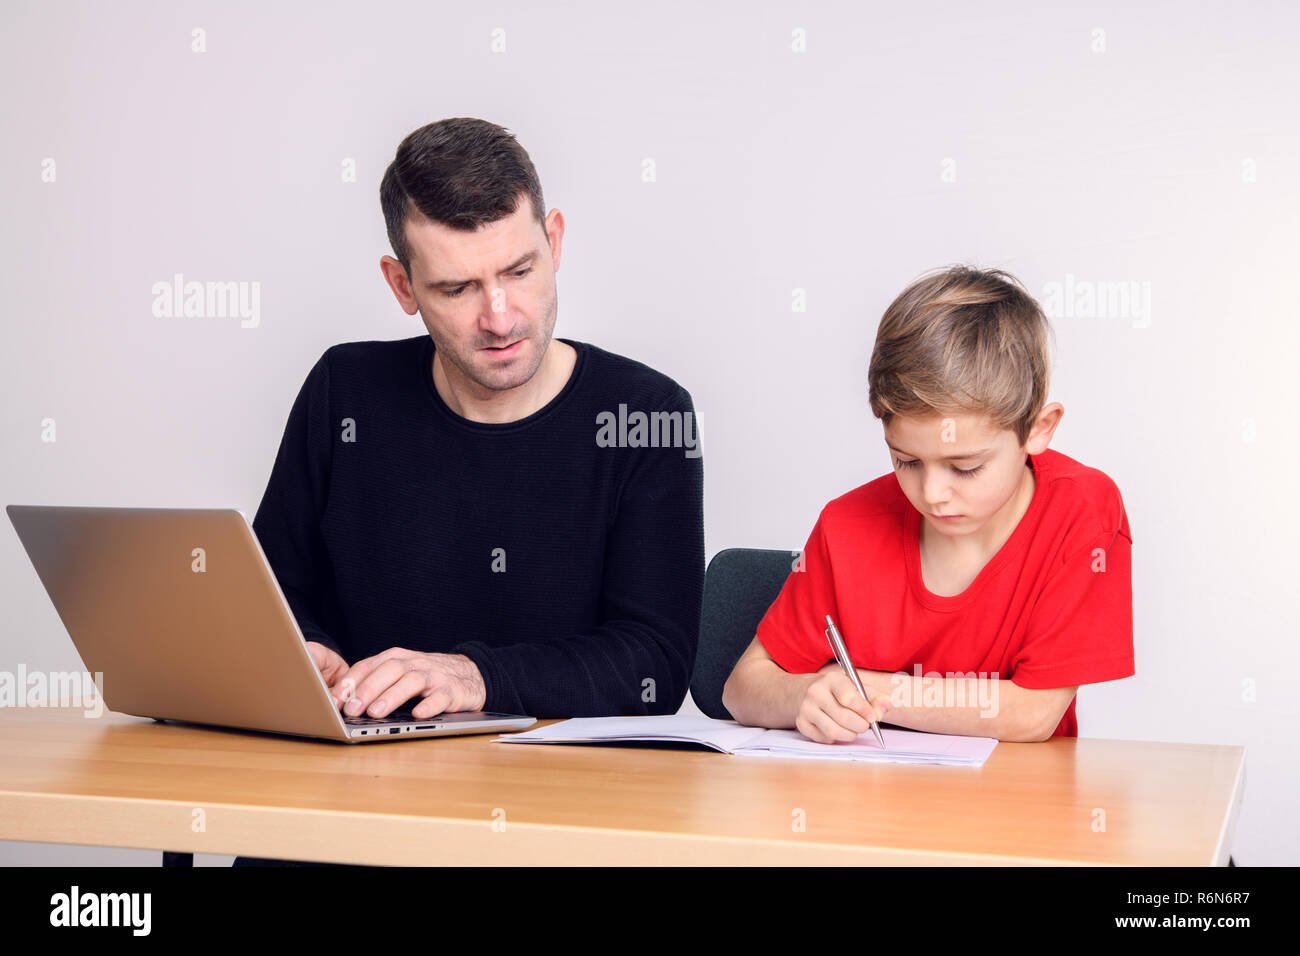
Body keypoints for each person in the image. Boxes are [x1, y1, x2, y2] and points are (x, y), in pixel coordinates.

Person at [234, 118, 704, 866]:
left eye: (519, 270)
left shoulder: (646, 414)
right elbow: (270, 592)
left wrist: (475, 676)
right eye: (457, 287)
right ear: (401, 286)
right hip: (351, 809)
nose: (500, 317)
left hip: (548, 820)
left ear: (554, 240)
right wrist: (308, 652)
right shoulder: (343, 391)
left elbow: (654, 664)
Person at [722, 265, 1133, 744]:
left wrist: (873, 690)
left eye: (965, 467)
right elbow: (741, 688)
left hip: (1017, 810)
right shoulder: (846, 524)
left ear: (1038, 429)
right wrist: (804, 696)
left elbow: (1033, 713)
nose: (932, 494)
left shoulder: (1082, 511)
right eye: (907, 461)